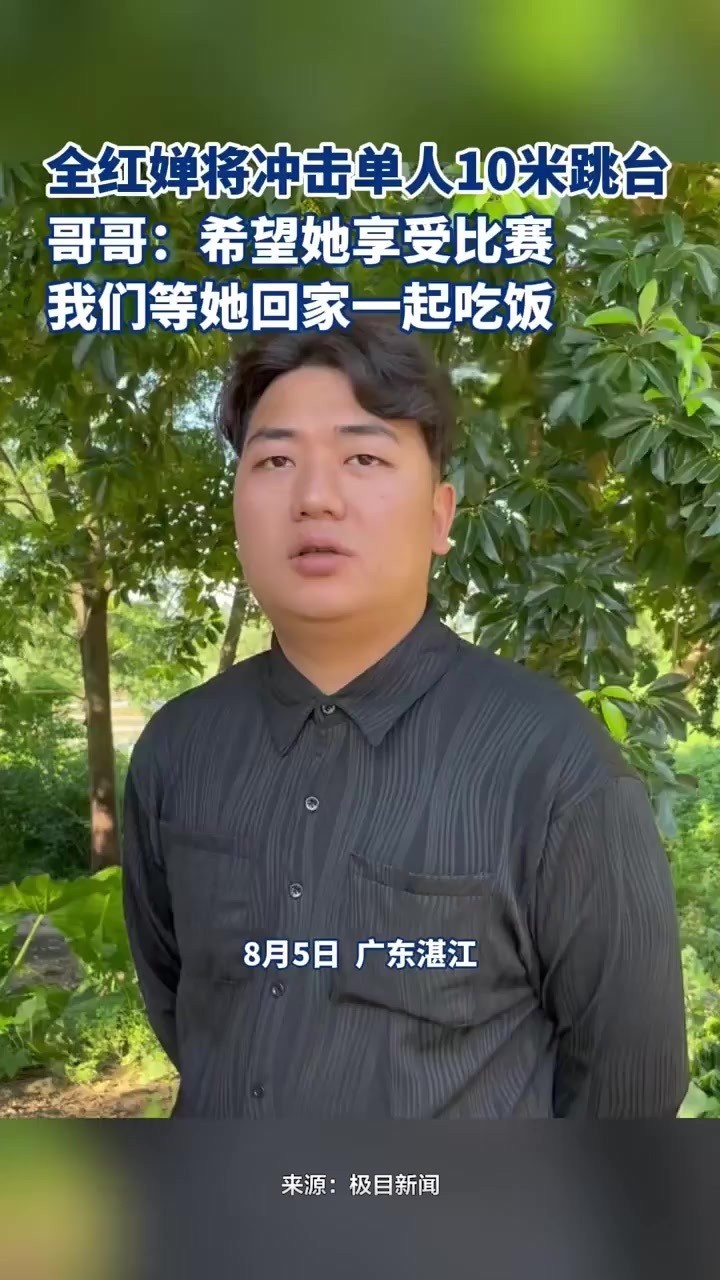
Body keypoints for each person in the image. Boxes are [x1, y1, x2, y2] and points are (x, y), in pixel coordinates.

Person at [122, 316, 689, 1119]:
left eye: (363, 458)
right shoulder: (179, 749)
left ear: (439, 515)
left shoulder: (556, 766)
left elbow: (629, 1092)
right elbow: (185, 1005)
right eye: (276, 460)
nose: (315, 497)